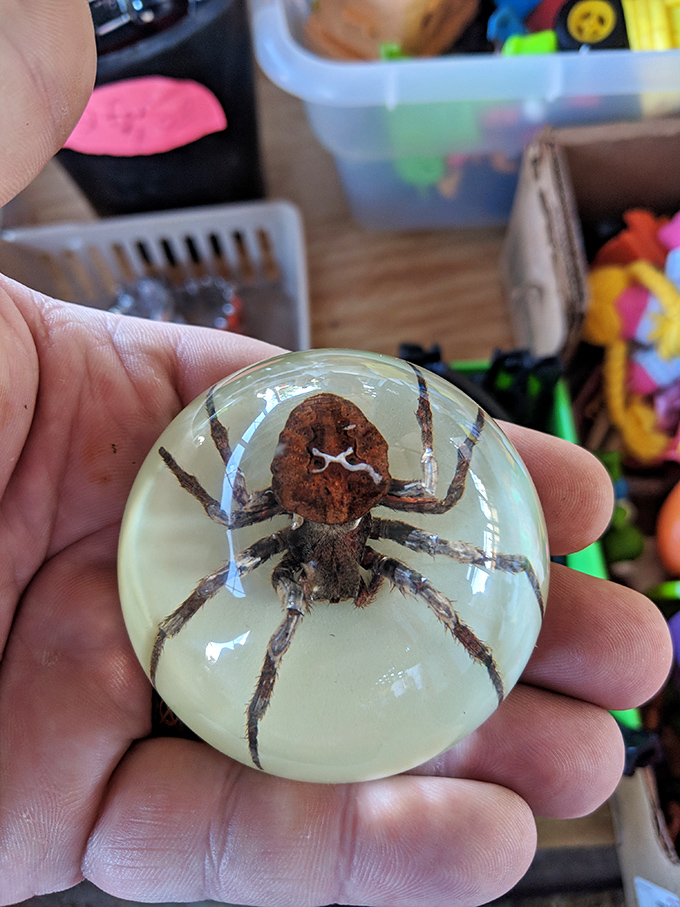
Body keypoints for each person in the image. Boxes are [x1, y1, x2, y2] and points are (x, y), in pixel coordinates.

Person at [0, 3, 673, 905]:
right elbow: (251, 515)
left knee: (435, 573)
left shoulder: (337, 516)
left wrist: (446, 434)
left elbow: (253, 514)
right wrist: (439, 434)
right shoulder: (329, 519)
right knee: (420, 571)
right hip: (321, 456)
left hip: (329, 457)